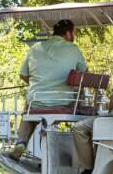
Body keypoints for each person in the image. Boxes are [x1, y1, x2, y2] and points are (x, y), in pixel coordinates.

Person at [8, 19, 87, 164]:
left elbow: (23, 75)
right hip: (64, 101)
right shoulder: (73, 49)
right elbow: (83, 75)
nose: (74, 35)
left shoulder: (35, 48)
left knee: (28, 111)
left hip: (37, 101)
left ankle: (21, 142)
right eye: (74, 32)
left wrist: (40, 85)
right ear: (68, 33)